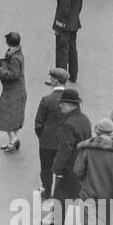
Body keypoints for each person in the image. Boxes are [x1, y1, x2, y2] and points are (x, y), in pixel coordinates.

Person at [51, 88, 92, 225]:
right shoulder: (84, 119)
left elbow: (65, 149)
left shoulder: (68, 124)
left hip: (70, 165)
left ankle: (57, 219)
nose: (61, 105)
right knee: (76, 191)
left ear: (71, 105)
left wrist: (58, 168)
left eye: (63, 103)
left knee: (60, 193)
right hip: (82, 162)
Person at [34, 68, 69, 201]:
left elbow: (38, 123)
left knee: (46, 167)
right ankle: (60, 192)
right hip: (64, 141)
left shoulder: (47, 99)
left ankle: (47, 190)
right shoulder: (71, 99)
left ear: (55, 80)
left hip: (47, 141)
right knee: (62, 167)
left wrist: (42, 136)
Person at [0, 31, 26, 152]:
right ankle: (12, 141)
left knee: (6, 116)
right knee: (15, 119)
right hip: (18, 91)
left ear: (9, 42)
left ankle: (13, 140)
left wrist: (0, 70)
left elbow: (13, 75)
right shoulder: (17, 54)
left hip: (13, 92)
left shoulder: (15, 58)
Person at [53, 0, 83, 82]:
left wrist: (58, 27)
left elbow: (63, 11)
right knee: (72, 50)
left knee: (62, 52)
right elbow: (79, 7)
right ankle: (73, 75)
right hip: (74, 24)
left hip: (64, 26)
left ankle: (60, 77)